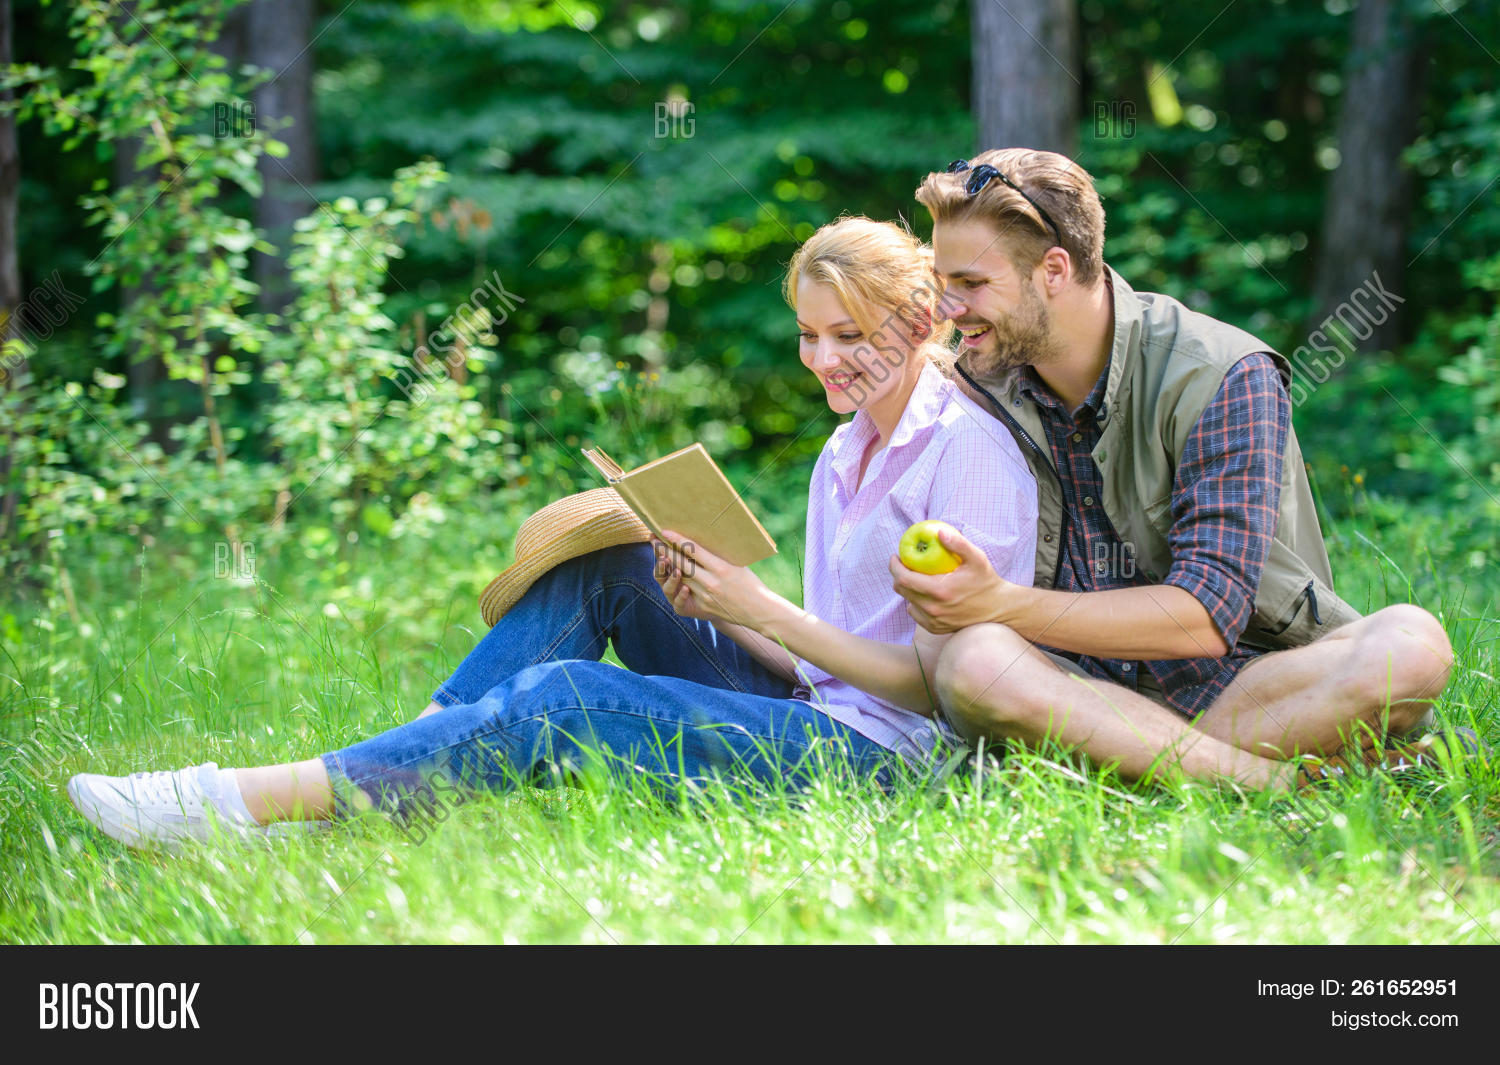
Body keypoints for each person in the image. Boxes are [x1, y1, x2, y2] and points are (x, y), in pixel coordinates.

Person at [65, 216, 1038, 849]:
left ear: (919, 324)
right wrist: (709, 596)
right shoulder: (845, 452)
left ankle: (240, 800)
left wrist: (760, 607)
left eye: (850, 338)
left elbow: (945, 694)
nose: (823, 360)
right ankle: (375, 785)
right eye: (809, 335)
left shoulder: (968, 455)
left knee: (567, 699)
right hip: (821, 705)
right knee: (613, 560)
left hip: (888, 765)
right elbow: (826, 657)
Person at [888, 147, 1464, 791]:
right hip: (1069, 684)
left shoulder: (1223, 373)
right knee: (973, 664)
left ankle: (1123, 765)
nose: (949, 308)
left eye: (971, 284)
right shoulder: (973, 381)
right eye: (943, 284)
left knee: (1412, 645)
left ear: (1053, 269)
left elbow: (1204, 615)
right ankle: (1282, 781)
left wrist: (1000, 603)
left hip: (1244, 682)